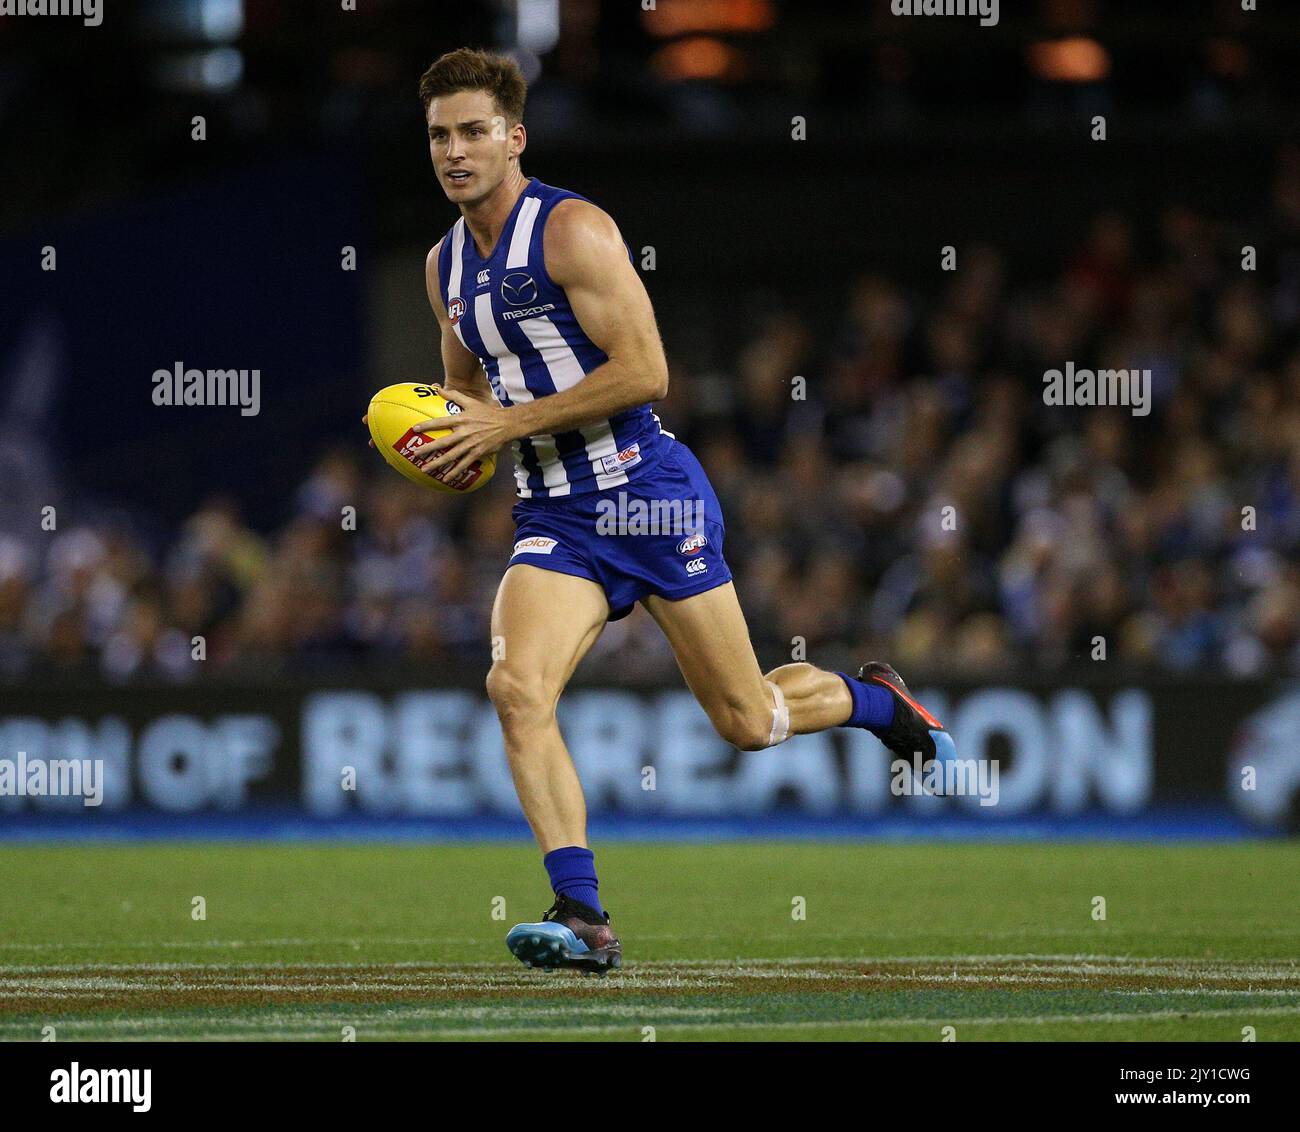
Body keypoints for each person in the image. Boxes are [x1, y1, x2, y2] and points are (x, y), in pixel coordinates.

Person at [385, 47, 954, 974]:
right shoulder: (443, 266)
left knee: (749, 720)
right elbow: (465, 403)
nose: (455, 150)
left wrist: (502, 426)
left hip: (648, 498)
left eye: (474, 131)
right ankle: (583, 916)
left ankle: (873, 703)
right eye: (441, 135)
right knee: (514, 689)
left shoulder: (572, 232)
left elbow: (647, 373)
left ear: (514, 138)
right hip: (556, 518)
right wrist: (450, 449)